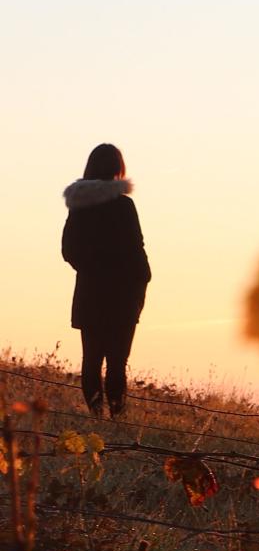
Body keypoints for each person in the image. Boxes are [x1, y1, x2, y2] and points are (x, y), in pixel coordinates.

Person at [62, 144, 152, 417]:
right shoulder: (124, 206)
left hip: (90, 293)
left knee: (90, 361)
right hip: (123, 295)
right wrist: (141, 278)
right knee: (117, 361)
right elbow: (137, 247)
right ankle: (117, 417)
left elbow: (68, 250)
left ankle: (95, 416)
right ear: (117, 168)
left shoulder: (79, 208)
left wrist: (90, 270)